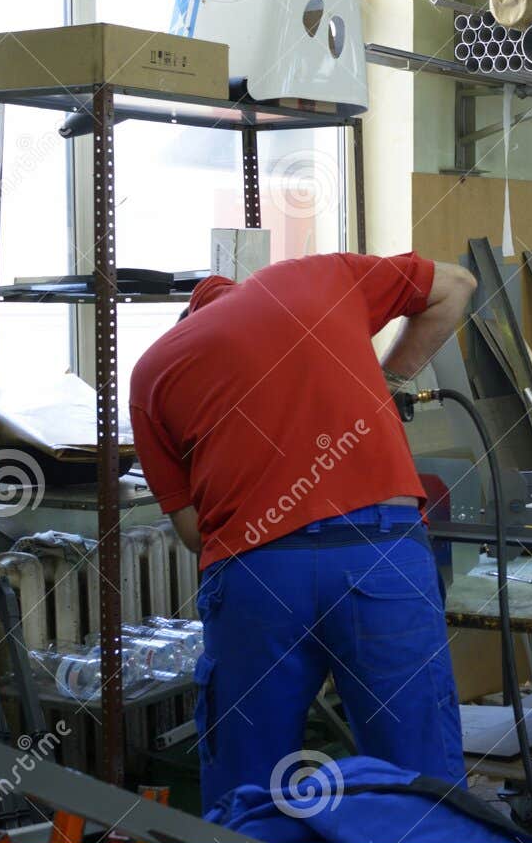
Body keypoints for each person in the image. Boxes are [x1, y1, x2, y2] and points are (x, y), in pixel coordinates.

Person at [129, 251, 477, 809]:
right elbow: (455, 285)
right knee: (420, 778)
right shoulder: (314, 276)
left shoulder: (151, 372)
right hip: (379, 555)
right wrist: (389, 380)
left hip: (257, 571)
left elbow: (194, 530)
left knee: (249, 785)